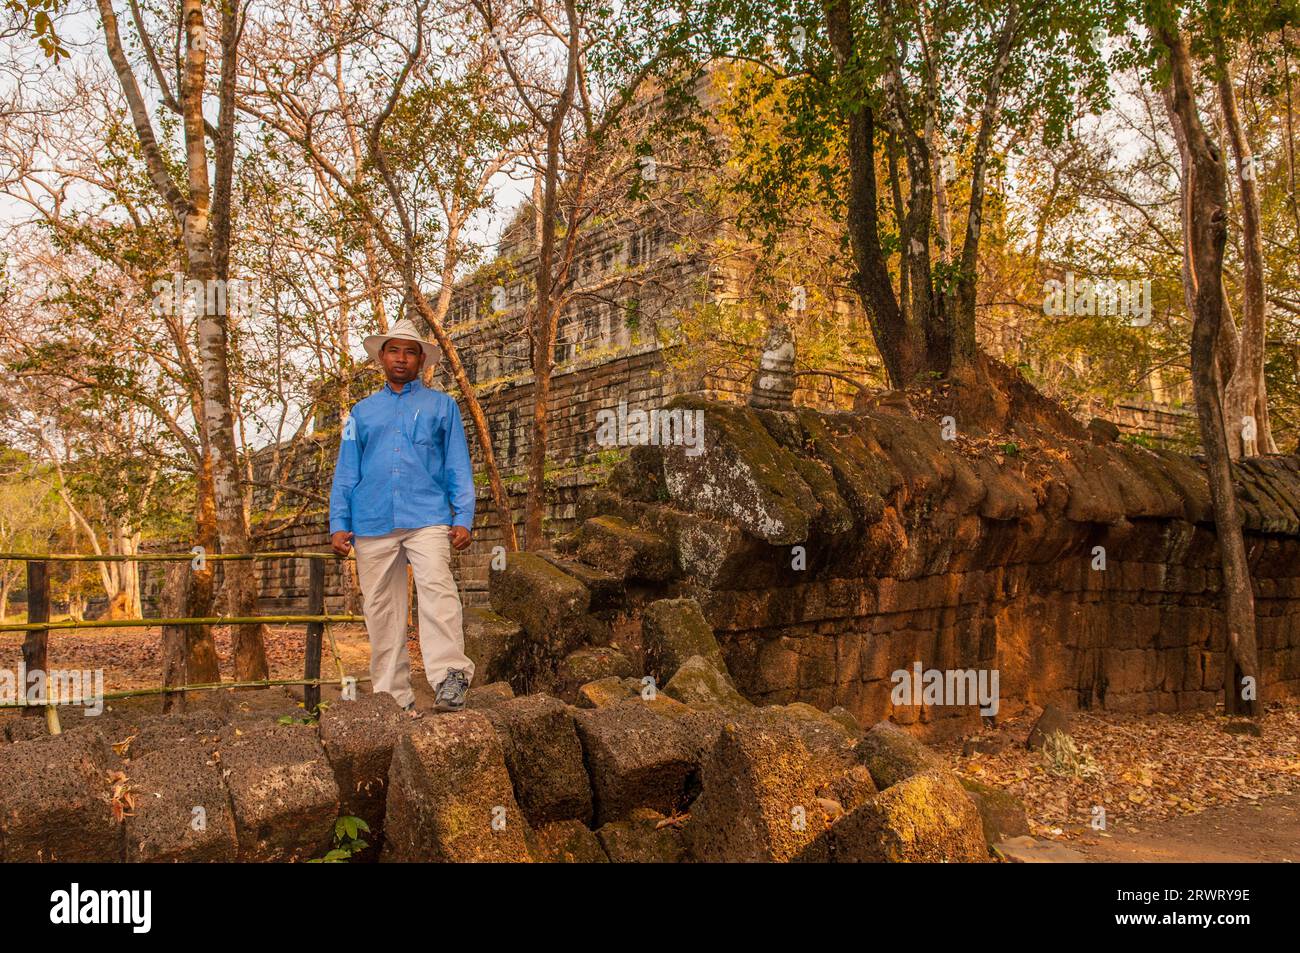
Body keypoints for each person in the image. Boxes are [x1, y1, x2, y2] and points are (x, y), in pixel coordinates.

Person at [328, 318, 476, 716]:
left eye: (410, 352)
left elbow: (457, 465)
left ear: (421, 361)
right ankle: (393, 696)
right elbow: (347, 471)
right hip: (371, 520)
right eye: (394, 350)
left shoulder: (441, 406)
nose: (401, 358)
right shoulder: (360, 413)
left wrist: (463, 515)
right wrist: (339, 523)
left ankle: (450, 679)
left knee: (437, 590)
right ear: (381, 356)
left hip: (427, 516)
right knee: (380, 607)